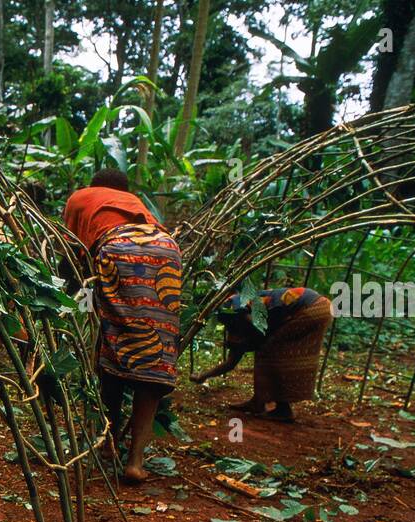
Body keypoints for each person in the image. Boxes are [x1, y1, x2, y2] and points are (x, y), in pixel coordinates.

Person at [63, 168, 181, 484]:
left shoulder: (81, 198)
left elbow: (71, 256)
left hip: (118, 247)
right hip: (166, 249)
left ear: (94, 185)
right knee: (156, 349)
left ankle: (107, 447)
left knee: (114, 342)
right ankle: (136, 462)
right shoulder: (135, 202)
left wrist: (69, 300)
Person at [191, 286, 333, 423]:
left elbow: (258, 330)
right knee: (269, 348)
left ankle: (278, 408)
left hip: (312, 307)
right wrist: (203, 376)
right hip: (320, 307)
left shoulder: (235, 307)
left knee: (268, 349)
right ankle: (262, 402)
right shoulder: (237, 319)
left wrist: (252, 342)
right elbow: (231, 362)